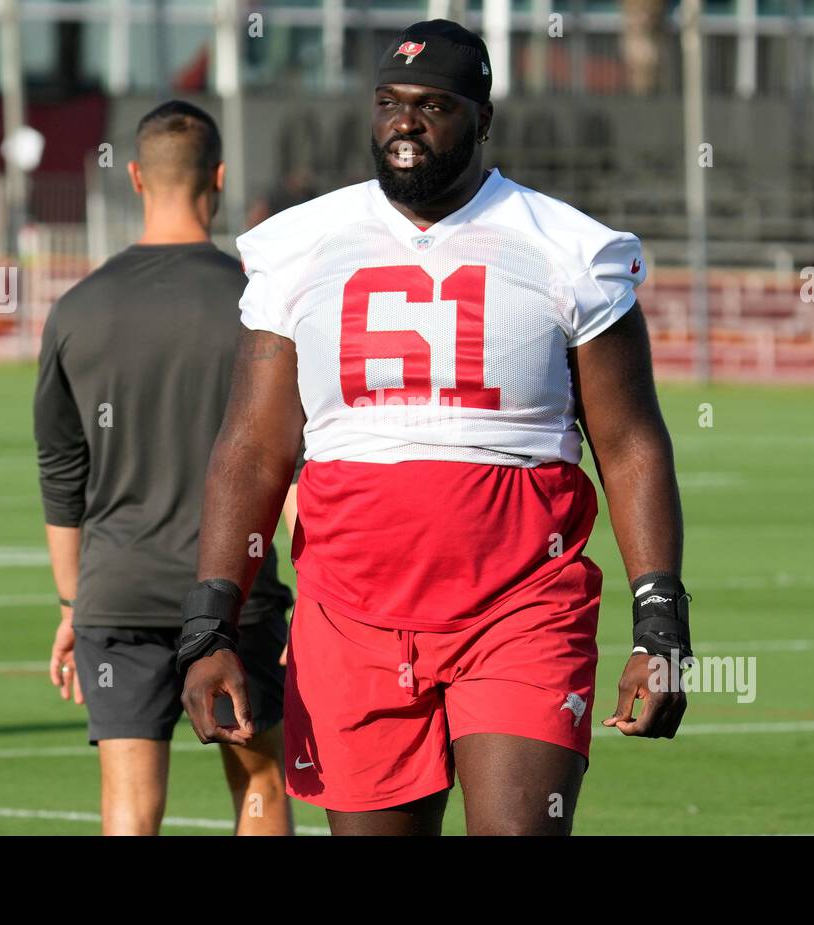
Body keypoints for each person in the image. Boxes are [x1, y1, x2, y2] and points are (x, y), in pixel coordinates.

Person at [175, 20, 691, 836]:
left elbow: (629, 441)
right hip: (352, 615)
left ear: (483, 121)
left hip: (521, 604)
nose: (404, 122)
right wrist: (209, 624)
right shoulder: (301, 245)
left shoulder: (568, 248)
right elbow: (254, 445)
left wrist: (661, 621)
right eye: (389, 102)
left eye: (432, 105)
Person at [34, 100, 297, 834]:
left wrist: (68, 602)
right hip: (233, 593)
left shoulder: (77, 309)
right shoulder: (257, 304)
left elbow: (61, 472)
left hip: (116, 593)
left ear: (139, 180)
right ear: (219, 177)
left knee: (128, 804)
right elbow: (291, 463)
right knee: (260, 786)